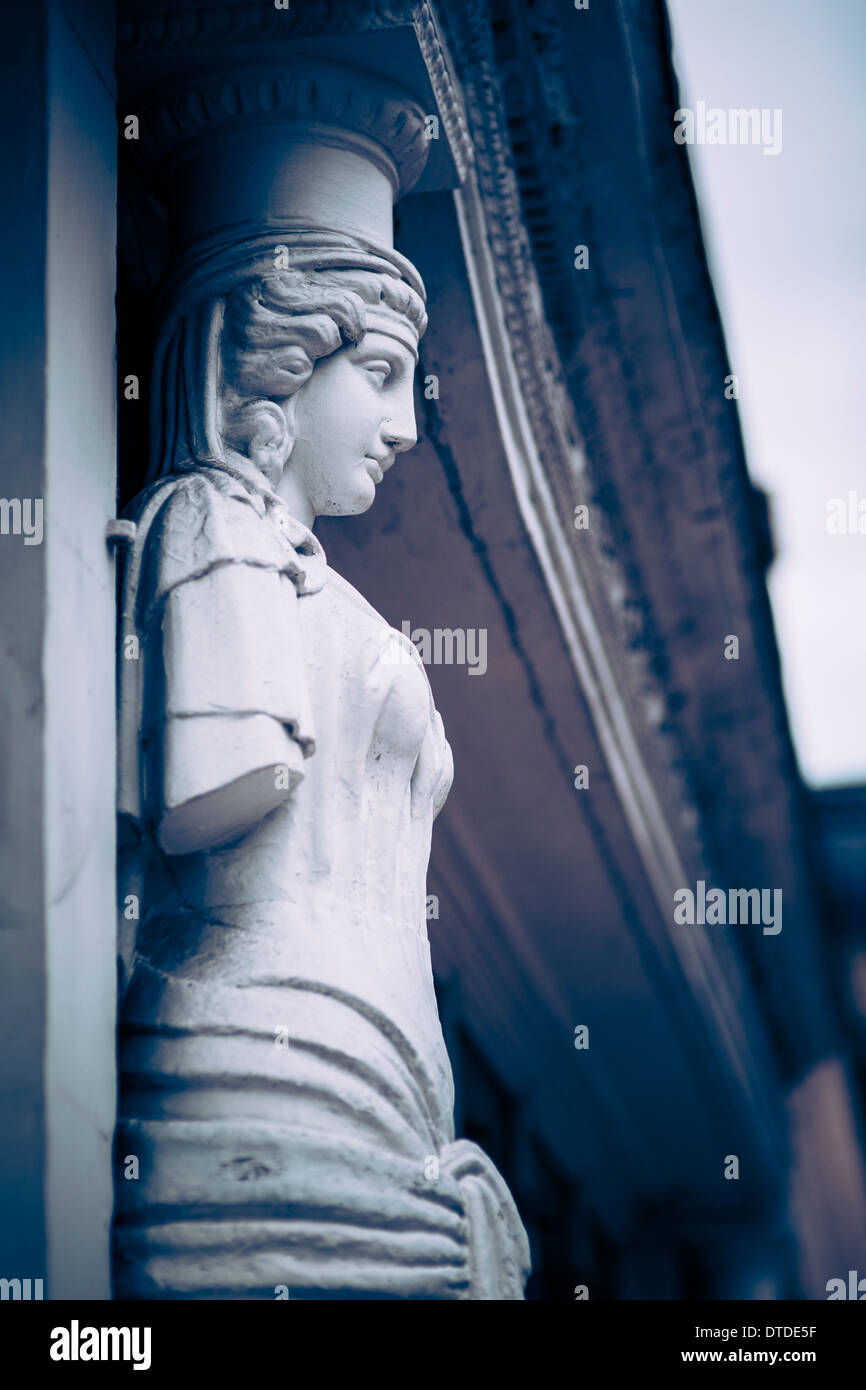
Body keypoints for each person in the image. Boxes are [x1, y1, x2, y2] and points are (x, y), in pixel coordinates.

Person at [113, 228, 530, 1300]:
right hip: (268, 1051)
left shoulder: (308, 577)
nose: (402, 426)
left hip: (385, 1086)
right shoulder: (214, 524)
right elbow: (218, 787)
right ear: (271, 373)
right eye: (379, 375)